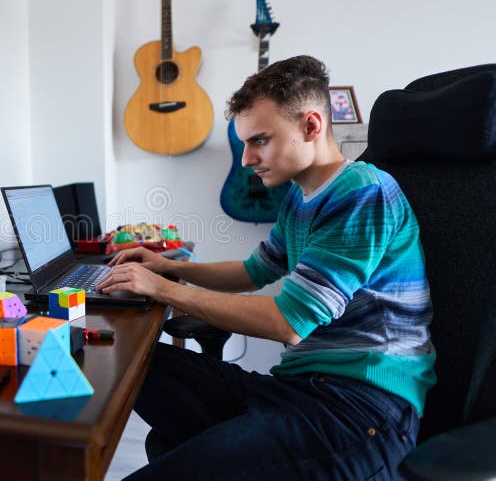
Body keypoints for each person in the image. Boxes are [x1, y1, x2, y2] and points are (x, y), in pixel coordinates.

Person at [95, 55, 436, 479]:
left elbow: (288, 322)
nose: (246, 159)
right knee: (123, 360)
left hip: (359, 411)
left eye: (259, 141)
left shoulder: (363, 194)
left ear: (311, 126)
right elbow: (255, 270)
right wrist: (167, 267)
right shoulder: (299, 196)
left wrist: (164, 290)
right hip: (297, 388)